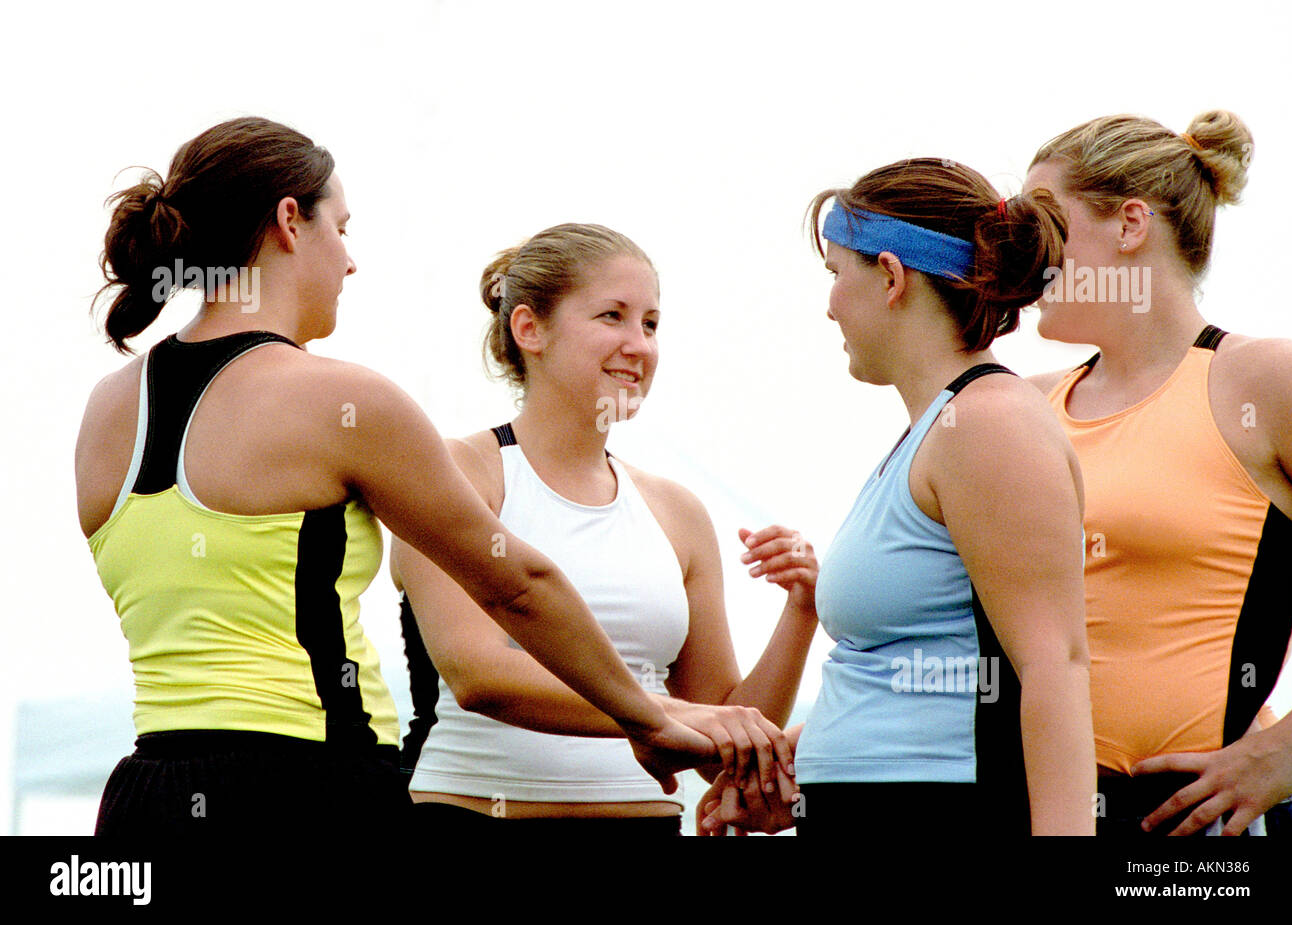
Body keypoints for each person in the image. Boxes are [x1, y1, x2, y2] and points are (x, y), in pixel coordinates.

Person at [77, 117, 781, 835]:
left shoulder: (106, 413)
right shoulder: (343, 402)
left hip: (144, 796)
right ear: (291, 221)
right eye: (342, 229)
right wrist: (647, 717)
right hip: (313, 786)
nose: (349, 262)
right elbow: (516, 584)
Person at [699, 157, 1097, 836]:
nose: (828, 304)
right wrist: (801, 764)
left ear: (889, 276)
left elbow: (1054, 665)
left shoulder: (988, 422)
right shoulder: (935, 429)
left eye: (835, 274)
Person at [393, 223, 815, 836]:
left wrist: (803, 609)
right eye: (612, 317)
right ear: (529, 329)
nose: (639, 345)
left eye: (650, 324)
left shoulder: (678, 512)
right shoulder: (457, 474)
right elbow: (478, 675)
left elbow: (727, 725)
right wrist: (664, 716)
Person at [1021, 110, 1292, 836]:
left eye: (1048, 222)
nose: (1030, 250)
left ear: (1131, 223)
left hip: (1196, 827)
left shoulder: (1261, 379)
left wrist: (1283, 754)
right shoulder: (1022, 406)